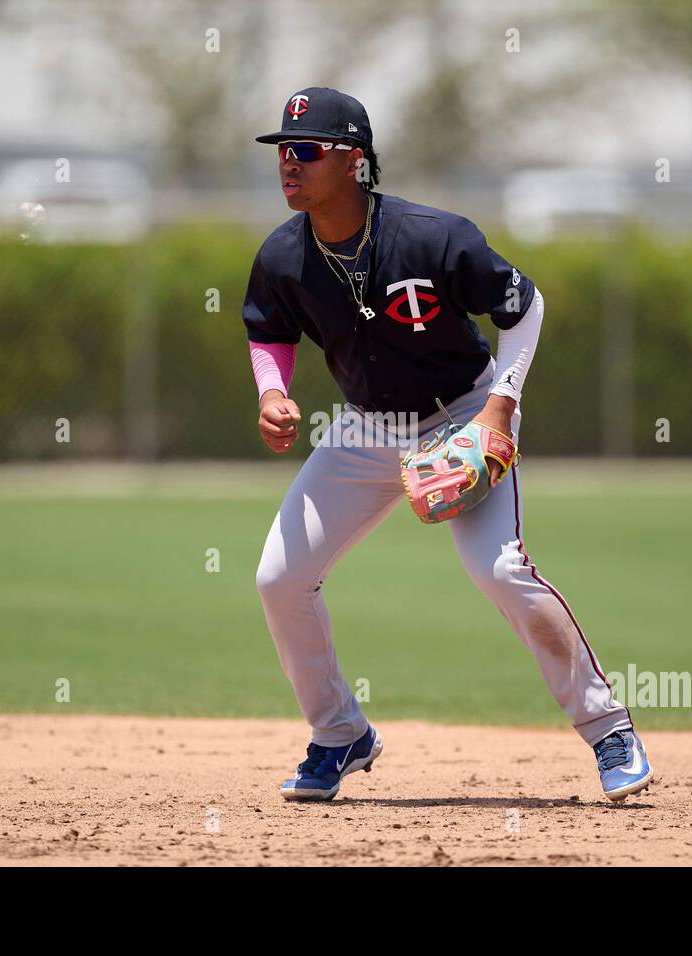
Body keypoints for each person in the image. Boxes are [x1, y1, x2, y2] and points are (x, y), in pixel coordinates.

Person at [243, 87, 652, 803]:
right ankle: (339, 735)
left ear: (355, 161)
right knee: (279, 577)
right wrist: (272, 393)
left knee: (499, 570)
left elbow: (525, 305)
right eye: (282, 151)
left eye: (305, 150)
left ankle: (607, 727)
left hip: (463, 413)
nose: (289, 163)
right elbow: (268, 328)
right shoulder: (284, 255)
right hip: (367, 426)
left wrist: (500, 410)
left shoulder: (433, 236)